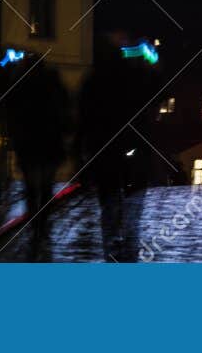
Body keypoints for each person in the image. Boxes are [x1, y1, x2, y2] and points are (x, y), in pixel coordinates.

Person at [76, 39, 162, 260]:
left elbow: (83, 122)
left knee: (110, 211)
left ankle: (112, 253)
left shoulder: (92, 82)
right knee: (132, 217)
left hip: (105, 155)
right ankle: (128, 255)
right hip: (132, 156)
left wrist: (82, 156)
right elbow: (149, 109)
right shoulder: (134, 80)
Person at [0, 55, 70, 221]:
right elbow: (64, 112)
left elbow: (10, 110)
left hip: (28, 143)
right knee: (45, 185)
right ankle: (42, 221)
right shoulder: (53, 84)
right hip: (49, 143)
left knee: (30, 185)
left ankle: (35, 220)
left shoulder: (20, 85)